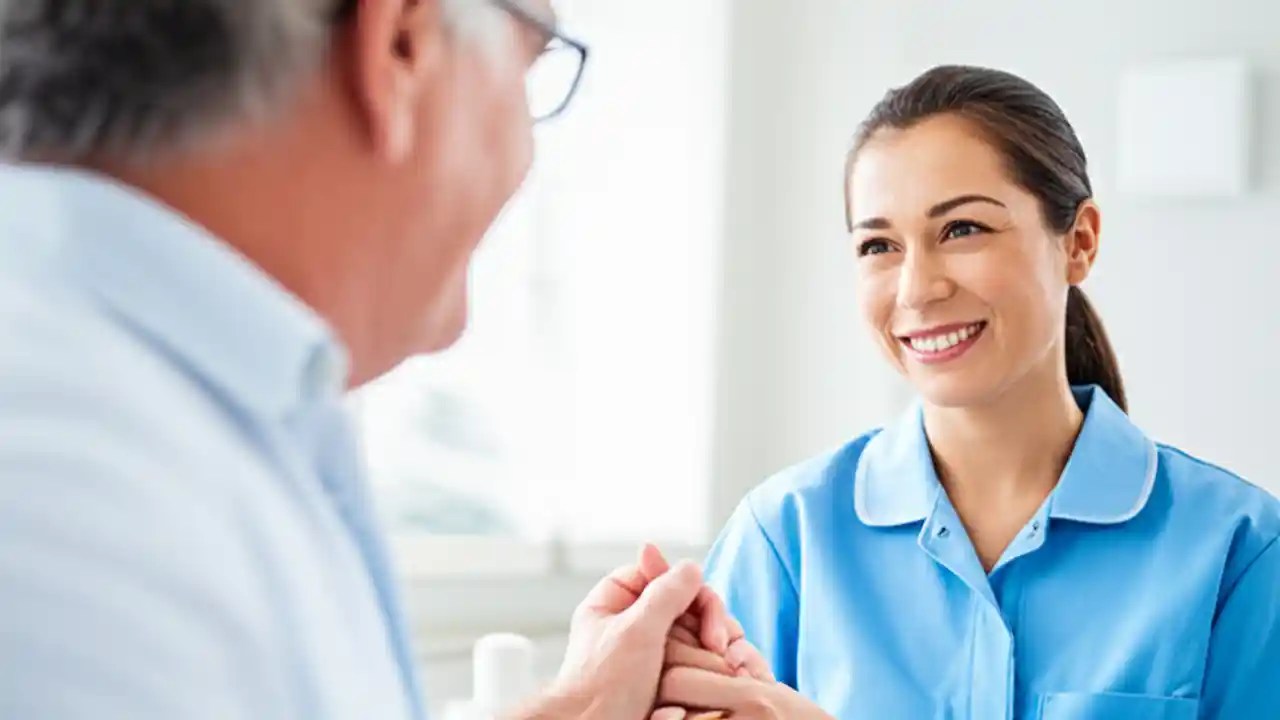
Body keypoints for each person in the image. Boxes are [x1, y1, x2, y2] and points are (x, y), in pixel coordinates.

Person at [0, 1, 762, 718]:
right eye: (532, 68)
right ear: (402, 42)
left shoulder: (161, 410)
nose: (528, 155)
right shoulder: (83, 510)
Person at [654, 65, 1280, 719]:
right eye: (879, 245)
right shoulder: (784, 540)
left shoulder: (1240, 550)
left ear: (1080, 242)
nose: (917, 288)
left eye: (963, 230)